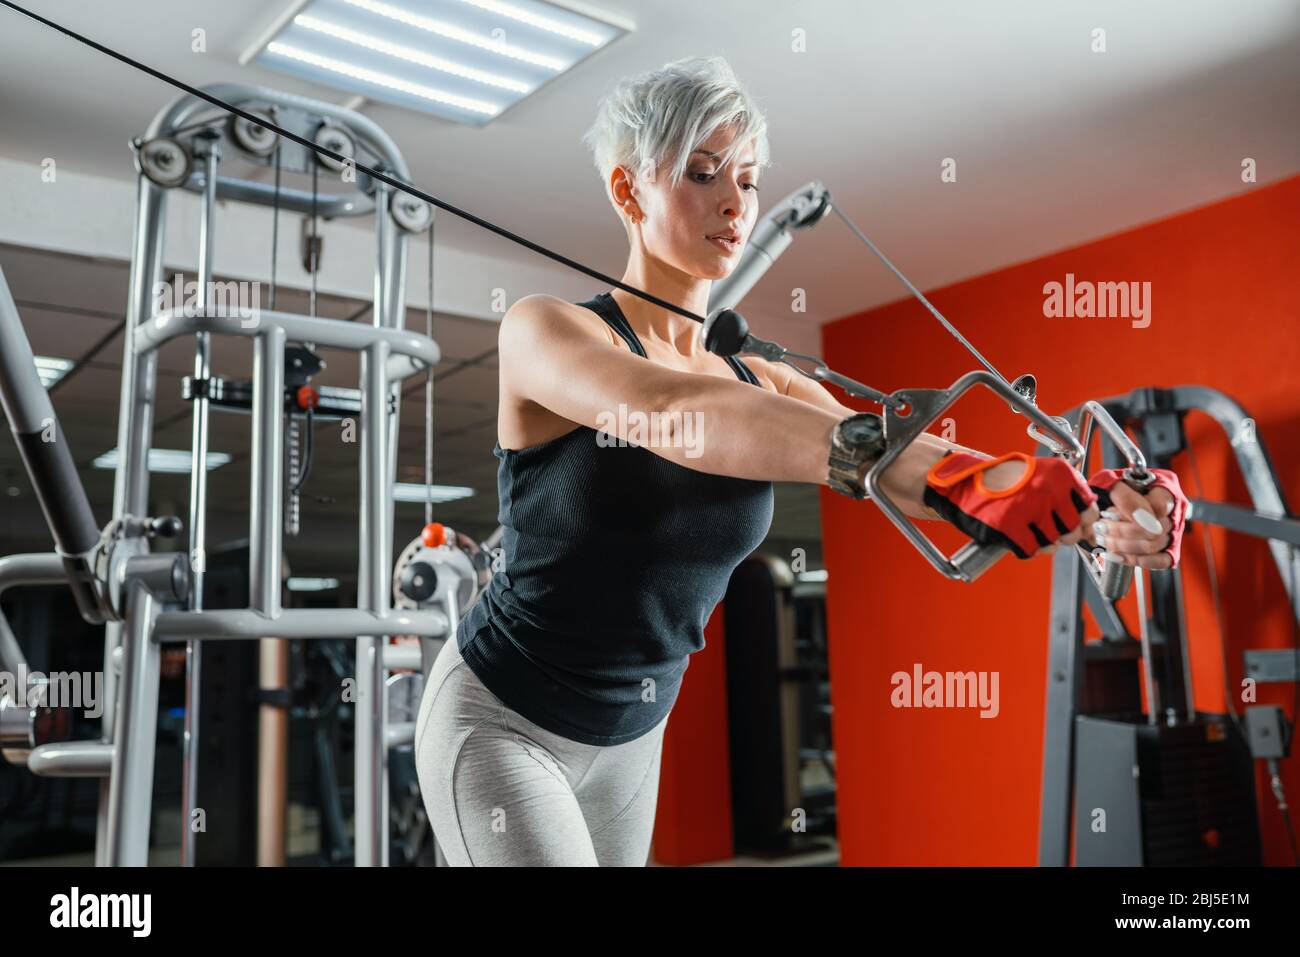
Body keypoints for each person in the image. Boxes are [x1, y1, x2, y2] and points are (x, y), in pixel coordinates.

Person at [413, 55, 1187, 867]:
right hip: (501, 718)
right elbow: (666, 413)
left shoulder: (765, 380)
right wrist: (882, 458)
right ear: (628, 191)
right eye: (702, 173)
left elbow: (900, 461)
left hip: (634, 735)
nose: (733, 203)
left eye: (746, 180)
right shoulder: (546, 331)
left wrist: (1094, 508)